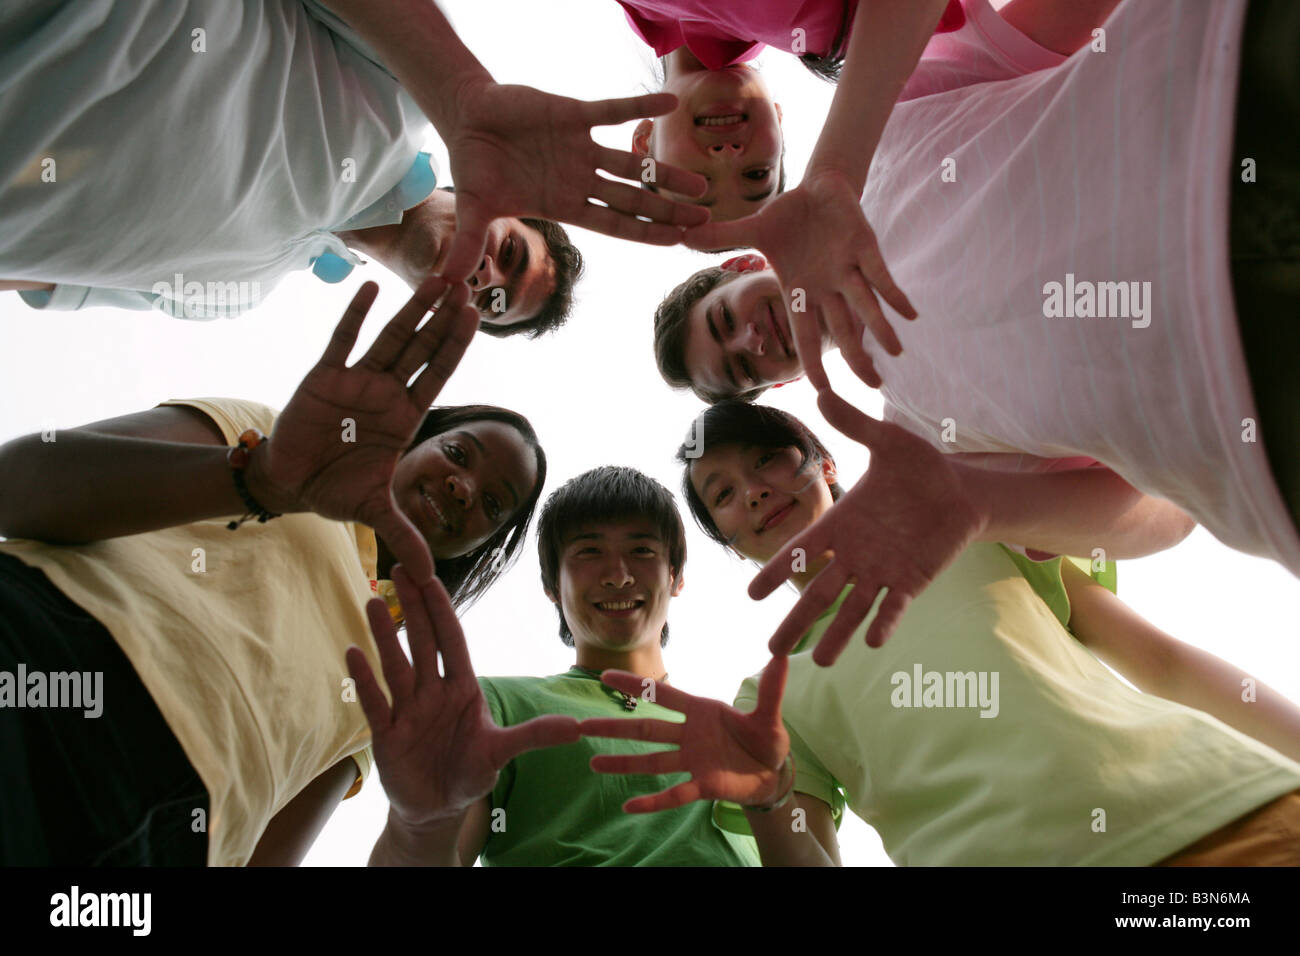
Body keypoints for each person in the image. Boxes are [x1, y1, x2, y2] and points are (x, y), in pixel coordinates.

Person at [652, 0, 1300, 632]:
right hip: (1261, 415)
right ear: (785, 380)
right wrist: (981, 504)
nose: (749, 338)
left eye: (722, 321)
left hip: (1241, 95)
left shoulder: (886, 122)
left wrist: (835, 171)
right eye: (743, 367)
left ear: (740, 268)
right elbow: (1163, 515)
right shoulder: (926, 446)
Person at [580, 401, 1300, 865]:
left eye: (767, 460)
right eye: (723, 495)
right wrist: (768, 799)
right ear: (732, 545)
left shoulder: (961, 534)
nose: (755, 491)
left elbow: (1162, 662)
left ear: (826, 465)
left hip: (1225, 810)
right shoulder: (768, 697)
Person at [0, 276, 547, 865]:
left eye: (494, 504)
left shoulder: (395, 687)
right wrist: (258, 479)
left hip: (162, 838)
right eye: (459, 454)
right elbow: (15, 488)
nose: (464, 489)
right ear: (416, 440)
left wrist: (426, 827)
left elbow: (269, 858)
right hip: (46, 646)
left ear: (482, 544)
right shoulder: (266, 441)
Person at [0, 0, 700, 332]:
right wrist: (463, 96)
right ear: (501, 199)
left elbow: (50, 275)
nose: (485, 276)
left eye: (490, 302)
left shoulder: (235, 296)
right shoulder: (405, 95)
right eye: (511, 254)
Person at [348, 466, 760, 866]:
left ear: (675, 577)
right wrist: (417, 822)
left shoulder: (737, 735)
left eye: (641, 551)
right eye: (589, 552)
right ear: (551, 585)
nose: (618, 576)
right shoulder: (493, 706)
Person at [620, 0, 975, 386]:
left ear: (644, 142)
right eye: (755, 174)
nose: (728, 154)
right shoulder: (817, 31)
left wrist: (836, 164)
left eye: (724, 319)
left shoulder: (665, 20)